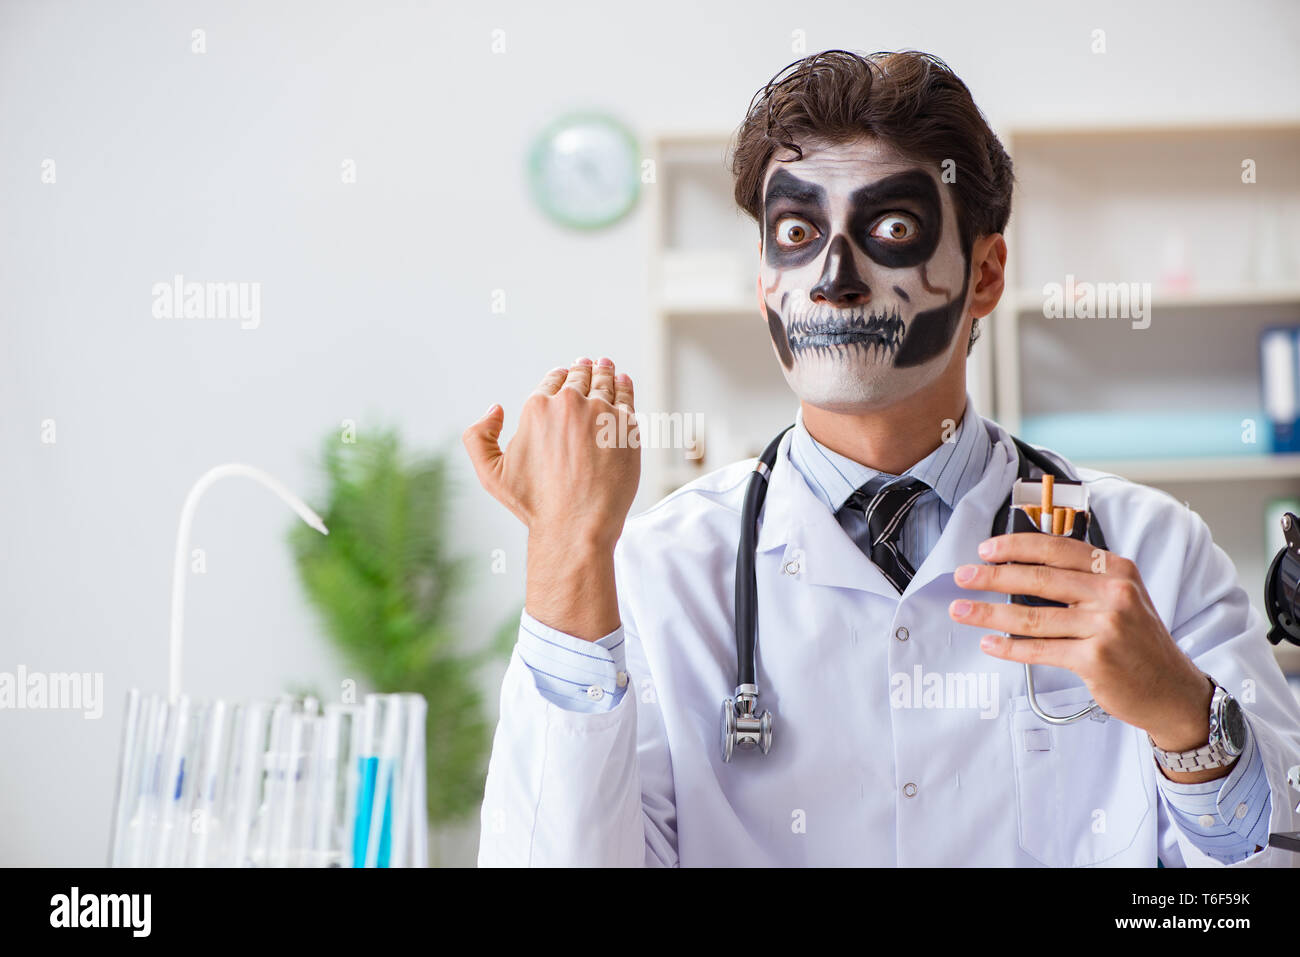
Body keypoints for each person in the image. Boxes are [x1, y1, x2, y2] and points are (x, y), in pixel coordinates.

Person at [462, 49, 1300, 866]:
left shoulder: (1152, 548)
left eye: (892, 227)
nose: (834, 278)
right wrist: (566, 554)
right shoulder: (655, 572)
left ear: (986, 271)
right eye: (796, 231)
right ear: (763, 282)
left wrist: (1187, 717)